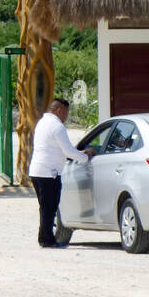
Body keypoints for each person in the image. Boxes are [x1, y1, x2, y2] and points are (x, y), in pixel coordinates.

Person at [28, 98, 94, 248]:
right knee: (49, 207)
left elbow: (57, 148)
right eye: (66, 113)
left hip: (37, 171)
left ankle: (45, 237)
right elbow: (68, 151)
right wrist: (85, 157)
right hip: (49, 173)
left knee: (45, 207)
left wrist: (78, 153)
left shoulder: (43, 123)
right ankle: (46, 239)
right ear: (59, 111)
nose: (66, 117)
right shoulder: (57, 126)